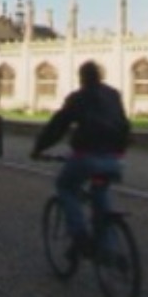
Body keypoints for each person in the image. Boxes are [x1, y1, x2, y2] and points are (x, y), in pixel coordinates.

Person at [30, 61, 131, 259]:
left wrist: (38, 148)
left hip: (87, 156)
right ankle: (109, 249)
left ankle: (79, 235)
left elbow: (57, 127)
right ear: (100, 76)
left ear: (82, 78)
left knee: (65, 187)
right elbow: (124, 125)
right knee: (100, 193)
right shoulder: (113, 95)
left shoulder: (78, 98)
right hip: (114, 158)